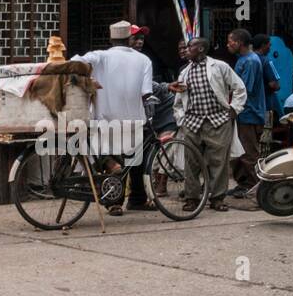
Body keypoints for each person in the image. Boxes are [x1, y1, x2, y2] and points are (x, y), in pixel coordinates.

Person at [73, 20, 154, 214]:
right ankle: (136, 199)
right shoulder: (144, 60)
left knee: (116, 161)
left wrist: (86, 79)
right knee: (134, 161)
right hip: (134, 119)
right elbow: (146, 92)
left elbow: (75, 62)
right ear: (130, 39)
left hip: (105, 118)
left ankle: (115, 202)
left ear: (111, 39)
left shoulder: (100, 56)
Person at [170, 37, 245, 212]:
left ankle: (217, 198)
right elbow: (179, 101)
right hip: (192, 122)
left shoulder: (220, 67)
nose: (186, 49)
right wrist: (181, 119)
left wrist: (234, 109)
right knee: (192, 162)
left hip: (218, 120)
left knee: (218, 162)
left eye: (190, 46)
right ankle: (192, 198)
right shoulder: (184, 72)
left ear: (201, 48)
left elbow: (239, 87)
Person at [227, 28, 268, 197]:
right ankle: (243, 183)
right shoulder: (242, 60)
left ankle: (253, 186)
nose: (228, 45)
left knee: (248, 152)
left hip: (249, 113)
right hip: (243, 113)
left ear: (239, 43)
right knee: (238, 152)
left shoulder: (251, 61)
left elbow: (244, 89)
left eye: (230, 41)